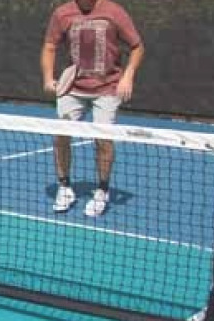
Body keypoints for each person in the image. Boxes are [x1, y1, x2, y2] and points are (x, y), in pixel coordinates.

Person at [41, 0, 145, 217]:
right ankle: (65, 187)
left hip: (107, 88)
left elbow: (137, 47)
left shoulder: (114, 11)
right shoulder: (62, 14)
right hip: (72, 87)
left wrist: (128, 76)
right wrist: (48, 78)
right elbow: (50, 46)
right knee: (61, 136)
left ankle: (102, 191)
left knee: (103, 140)